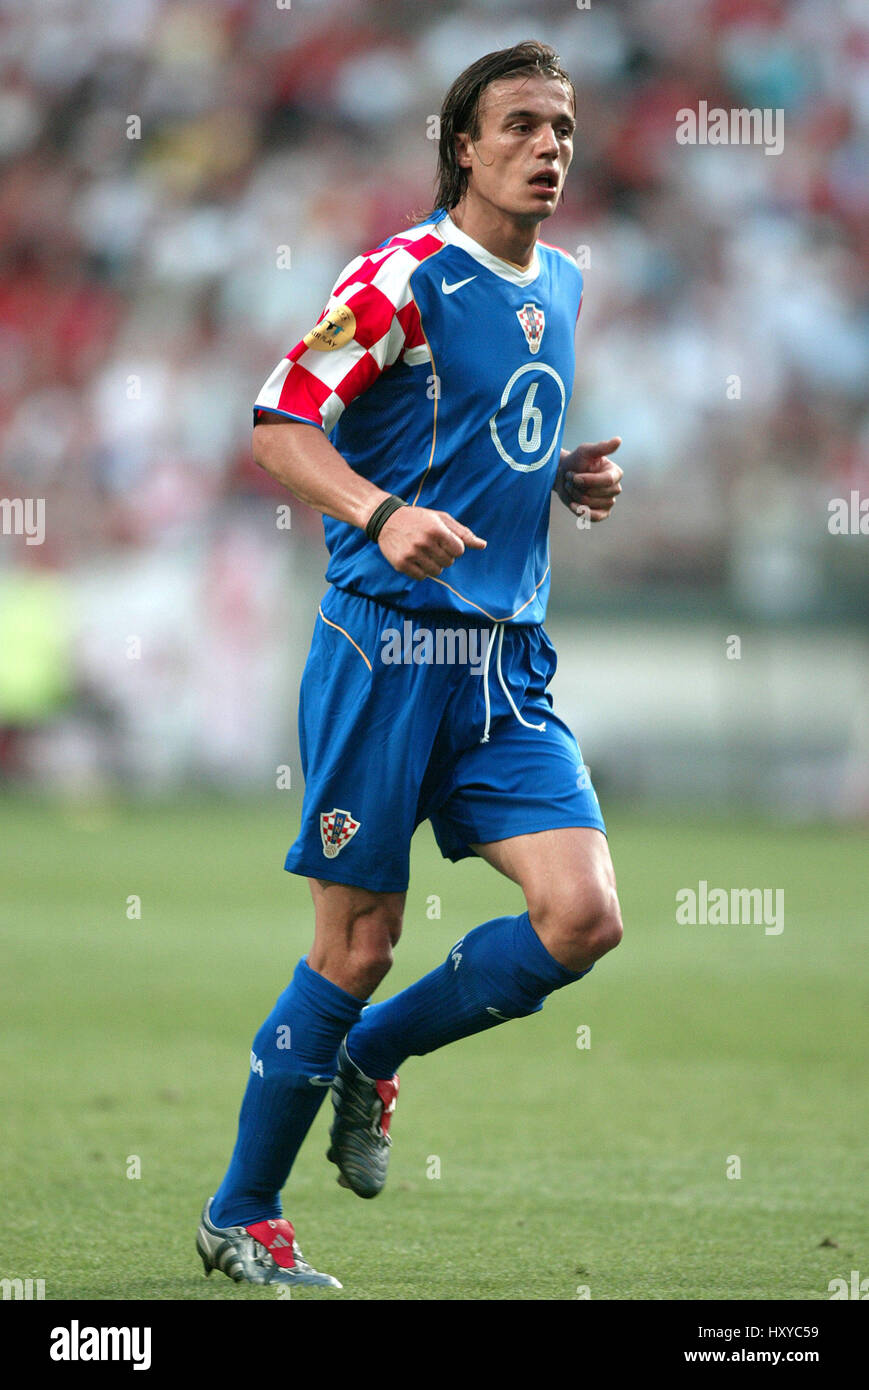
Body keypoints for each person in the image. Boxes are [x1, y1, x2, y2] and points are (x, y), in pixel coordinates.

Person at [196, 39, 625, 1291]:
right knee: (355, 942)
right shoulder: (400, 275)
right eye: (522, 126)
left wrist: (559, 477)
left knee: (582, 915)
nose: (549, 146)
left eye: (562, 126)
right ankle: (242, 1215)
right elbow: (282, 422)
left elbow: (475, 433)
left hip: (502, 668)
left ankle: (368, 1057)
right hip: (381, 650)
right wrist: (381, 514)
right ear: (462, 145)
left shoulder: (566, 282)